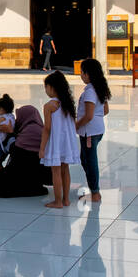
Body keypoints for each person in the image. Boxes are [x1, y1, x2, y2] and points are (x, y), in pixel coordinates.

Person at [0, 105, 52, 198]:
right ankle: (35, 187)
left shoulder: (30, 129)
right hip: (43, 172)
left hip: (26, 168)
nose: (17, 120)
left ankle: (32, 189)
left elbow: (17, 152)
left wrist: (11, 134)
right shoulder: (38, 128)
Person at [40, 69, 80, 209]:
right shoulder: (68, 104)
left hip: (56, 142)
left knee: (55, 171)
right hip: (67, 142)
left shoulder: (49, 106)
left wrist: (42, 148)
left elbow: (47, 128)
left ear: (52, 87)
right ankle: (66, 199)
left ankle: (57, 202)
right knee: (65, 170)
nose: (46, 90)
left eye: (46, 87)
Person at [76, 57, 111, 204]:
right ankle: (94, 189)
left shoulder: (90, 91)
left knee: (90, 162)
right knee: (85, 160)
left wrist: (77, 125)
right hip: (96, 130)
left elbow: (89, 115)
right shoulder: (99, 88)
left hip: (89, 132)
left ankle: (95, 194)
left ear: (88, 74)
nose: (81, 75)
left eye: (82, 73)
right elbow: (105, 110)